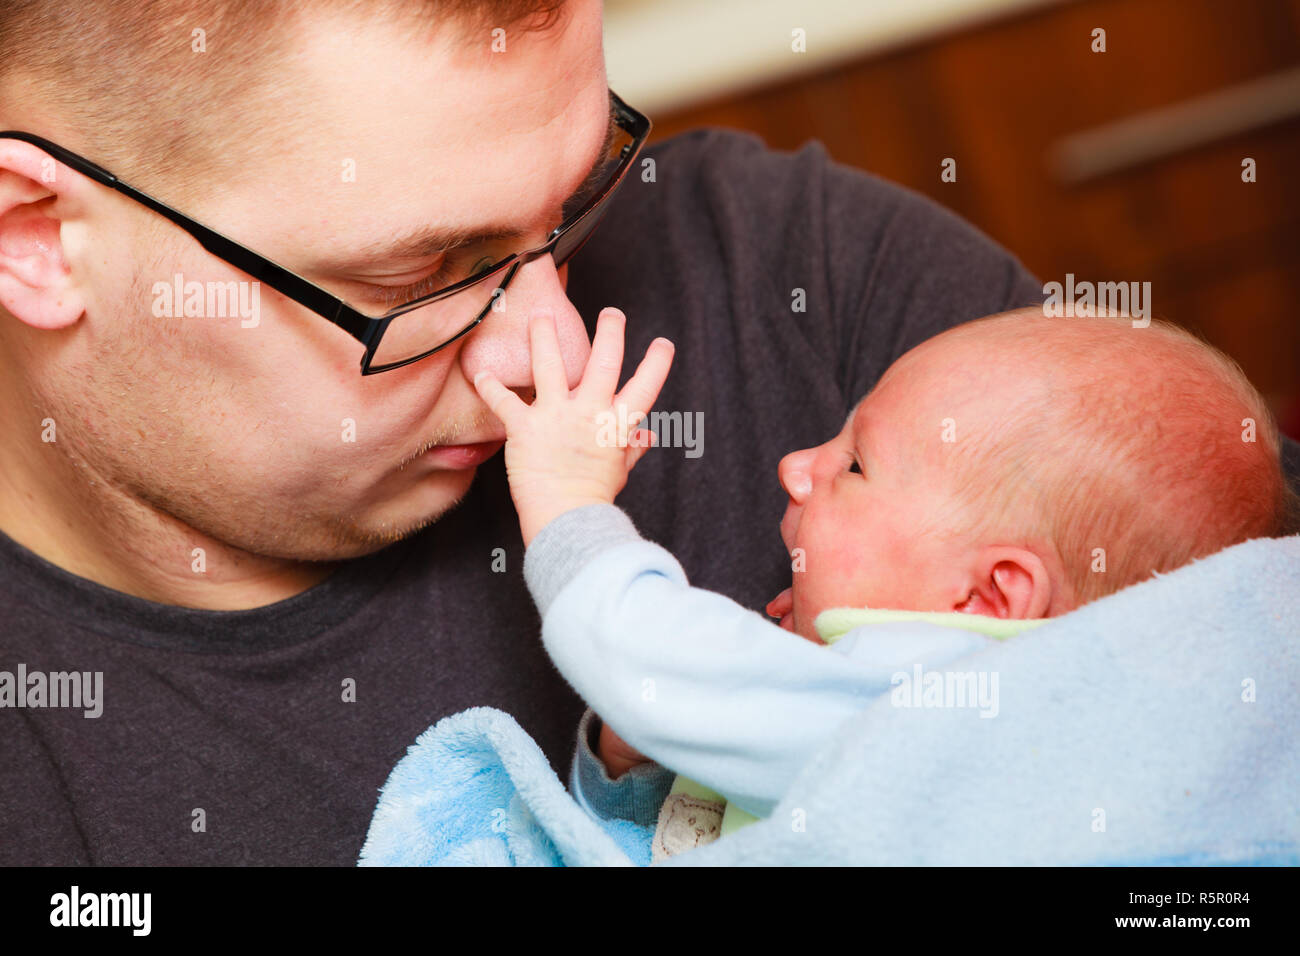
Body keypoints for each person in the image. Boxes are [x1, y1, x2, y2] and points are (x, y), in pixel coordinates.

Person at [0, 0, 1295, 865]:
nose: (559, 352)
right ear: (39, 241)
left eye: (570, 204)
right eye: (424, 276)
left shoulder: (806, 276)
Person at [468, 306, 1294, 859]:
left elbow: (646, 655)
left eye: (854, 464)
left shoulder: (941, 699)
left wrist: (568, 501)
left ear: (989, 600)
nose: (797, 467)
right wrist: (638, 760)